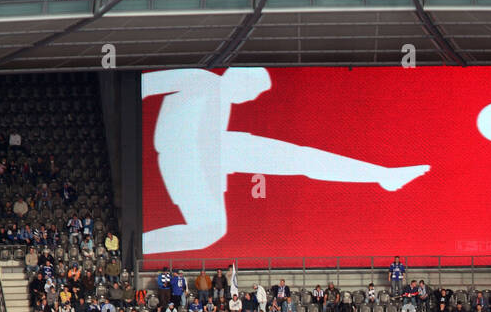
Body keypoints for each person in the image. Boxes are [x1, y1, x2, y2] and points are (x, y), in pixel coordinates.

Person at [142, 70, 429, 257]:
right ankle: (382, 175)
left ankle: (381, 175)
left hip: (204, 156)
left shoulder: (213, 92)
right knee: (300, 159)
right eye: (254, 89)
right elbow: (144, 84)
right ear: (240, 78)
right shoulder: (202, 80)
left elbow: (145, 86)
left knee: (212, 229)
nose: (253, 97)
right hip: (194, 151)